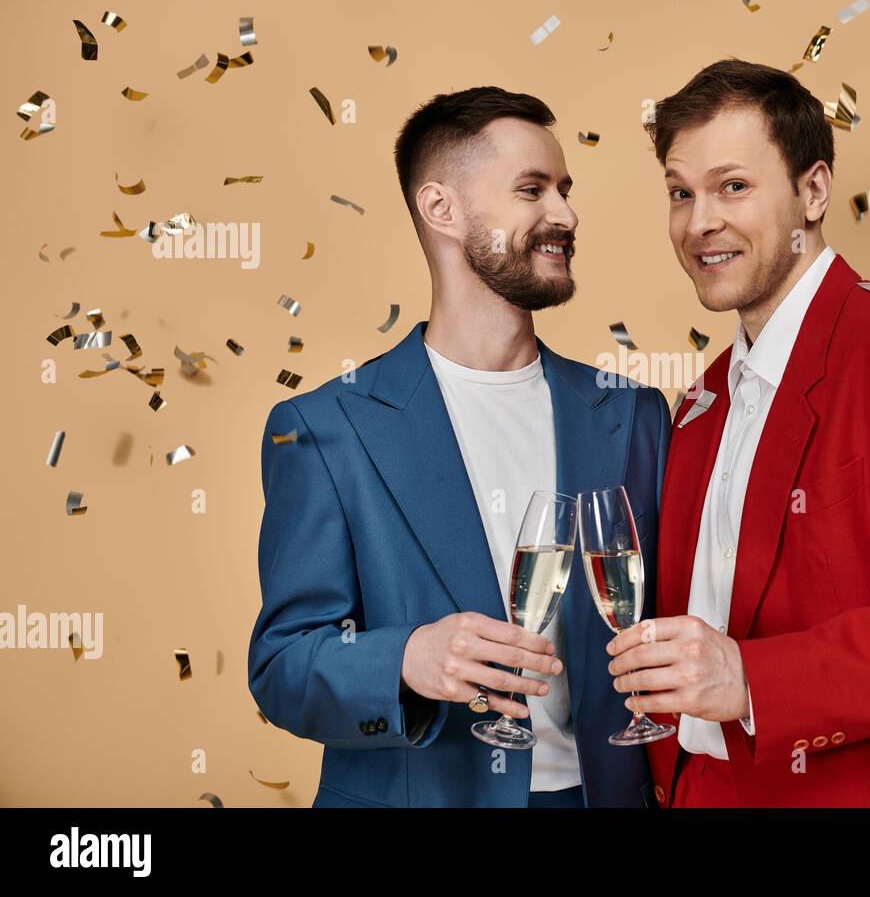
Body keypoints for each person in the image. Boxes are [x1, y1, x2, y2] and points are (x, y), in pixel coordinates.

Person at [607, 59, 870, 806]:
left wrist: (753, 680)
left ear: (814, 191)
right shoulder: (701, 397)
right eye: (681, 193)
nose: (699, 221)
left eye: (732, 186)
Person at [249, 86, 670, 807]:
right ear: (440, 208)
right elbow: (283, 666)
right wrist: (404, 659)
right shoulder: (324, 430)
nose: (565, 215)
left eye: (565, 190)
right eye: (532, 189)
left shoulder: (633, 413)